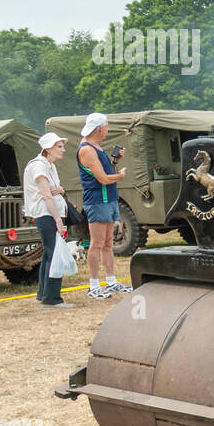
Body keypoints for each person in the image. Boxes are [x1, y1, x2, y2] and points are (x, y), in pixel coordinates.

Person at [76, 112, 130, 298]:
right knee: (97, 243)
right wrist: (121, 176)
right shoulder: (86, 150)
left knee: (108, 243)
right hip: (98, 200)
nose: (108, 130)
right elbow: (103, 179)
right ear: (99, 129)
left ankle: (111, 282)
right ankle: (93, 285)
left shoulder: (96, 146)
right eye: (106, 127)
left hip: (108, 199)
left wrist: (115, 162)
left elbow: (107, 172)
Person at [23, 132, 73, 308]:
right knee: (54, 254)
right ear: (48, 149)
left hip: (48, 214)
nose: (63, 150)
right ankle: (52, 298)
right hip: (46, 214)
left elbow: (54, 191)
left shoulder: (49, 165)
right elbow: (46, 195)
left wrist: (59, 189)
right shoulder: (39, 166)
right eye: (59, 146)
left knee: (48, 253)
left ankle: (43, 294)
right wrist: (58, 220)